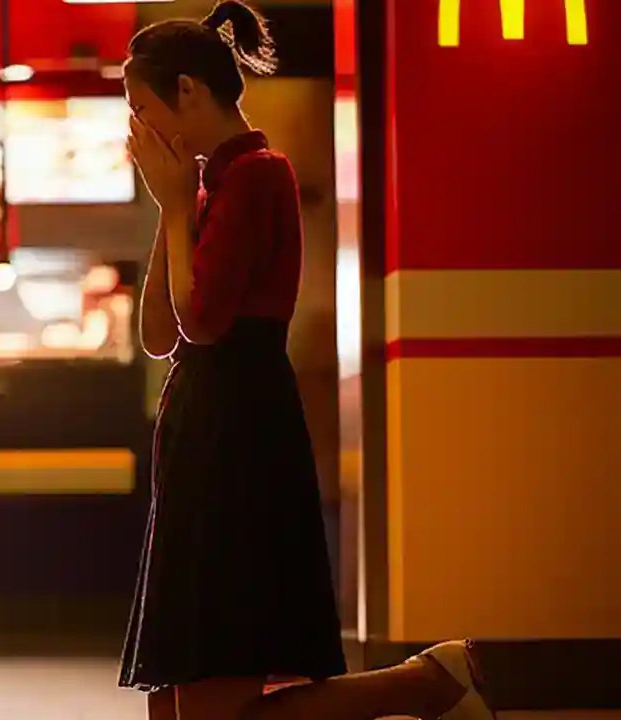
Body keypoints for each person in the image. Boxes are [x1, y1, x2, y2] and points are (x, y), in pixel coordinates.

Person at [120, 3, 496, 720]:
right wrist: (172, 206)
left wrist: (175, 210)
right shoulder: (205, 185)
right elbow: (157, 334)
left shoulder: (261, 175)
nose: (138, 128)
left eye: (142, 107)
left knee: (214, 691)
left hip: (239, 430)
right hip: (203, 430)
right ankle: (429, 681)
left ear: (190, 93)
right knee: (174, 699)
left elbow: (200, 322)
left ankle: (425, 682)